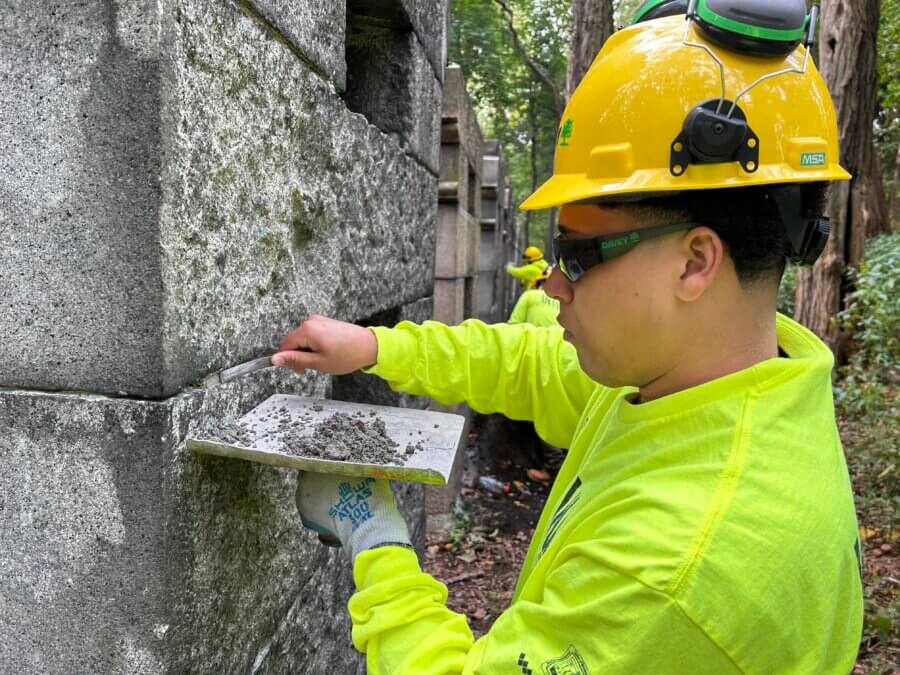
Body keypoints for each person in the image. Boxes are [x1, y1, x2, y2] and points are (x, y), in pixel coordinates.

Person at [272, 7, 863, 673]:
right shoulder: (717, 378)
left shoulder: (678, 569)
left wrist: (373, 533)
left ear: (696, 262)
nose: (552, 284)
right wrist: (377, 349)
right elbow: (530, 364)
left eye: (579, 253)